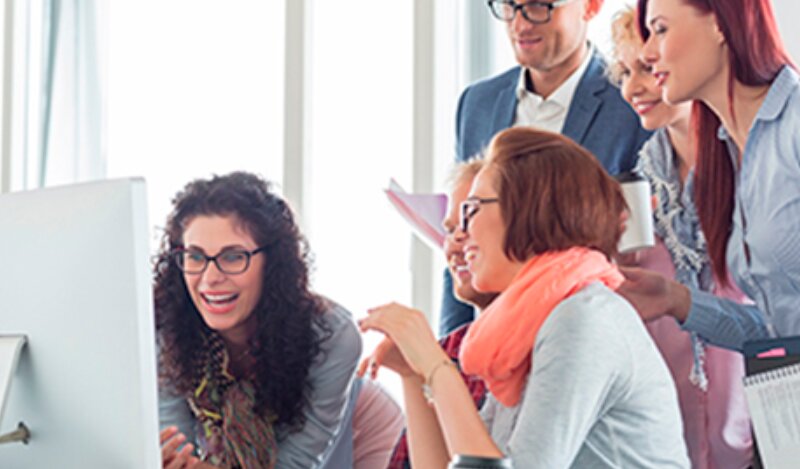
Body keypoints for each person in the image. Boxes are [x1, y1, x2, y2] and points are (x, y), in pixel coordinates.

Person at [362, 127, 689, 468]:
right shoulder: (523, 322)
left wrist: (437, 366)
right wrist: (414, 376)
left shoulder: (585, 316)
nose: (462, 234)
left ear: (529, 209)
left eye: (471, 210)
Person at [441, 0, 652, 336]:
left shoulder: (633, 104)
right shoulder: (477, 104)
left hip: (582, 334)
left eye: (539, 6)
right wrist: (450, 353)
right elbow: (460, 243)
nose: (520, 25)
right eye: (509, 6)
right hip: (490, 339)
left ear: (590, 6)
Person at [609, 7, 751, 467]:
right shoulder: (629, 192)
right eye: (625, 72)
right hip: (664, 435)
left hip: (758, 425)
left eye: (647, 70)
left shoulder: (753, 167)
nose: (633, 88)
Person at [618, 0, 799, 351]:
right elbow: (779, 336)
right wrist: (676, 300)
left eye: (661, 30)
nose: (650, 52)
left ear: (720, 24)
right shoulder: (729, 155)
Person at [154, 172, 361, 469]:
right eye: (196, 257)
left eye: (233, 257)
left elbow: (296, 464)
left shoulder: (332, 336)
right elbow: (174, 452)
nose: (210, 279)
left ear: (272, 263)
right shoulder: (165, 323)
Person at [386, 159, 497, 469]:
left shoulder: (547, 343)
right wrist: (410, 374)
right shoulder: (449, 350)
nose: (457, 240)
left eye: (470, 221)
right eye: (450, 229)